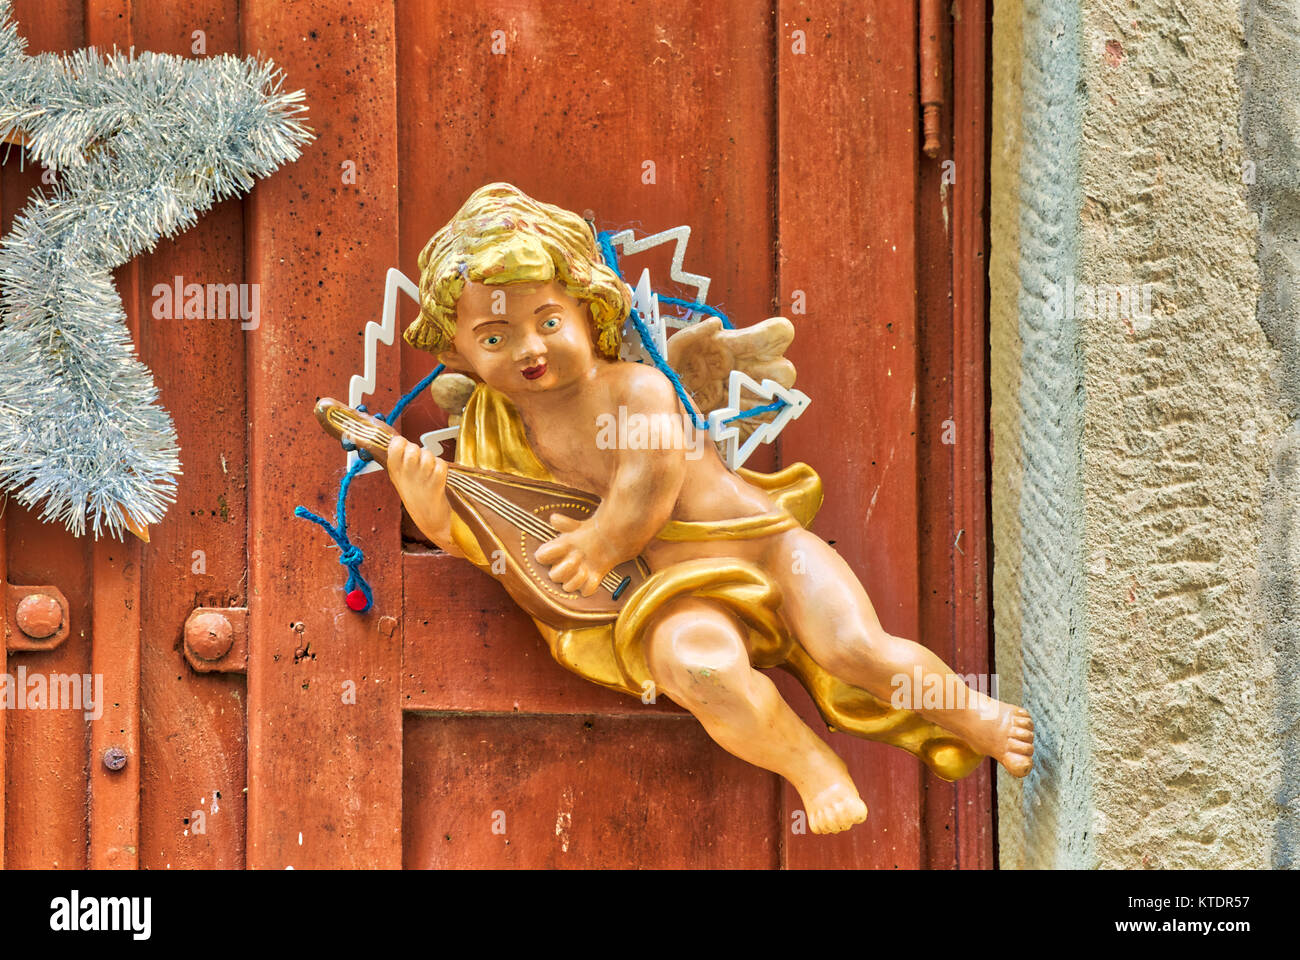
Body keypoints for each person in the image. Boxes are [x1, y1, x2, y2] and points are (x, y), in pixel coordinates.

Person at [385, 182, 1033, 834]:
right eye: (495, 338)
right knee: (698, 667)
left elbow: (651, 475)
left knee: (854, 646)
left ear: (590, 311)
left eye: (548, 322)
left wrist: (604, 543)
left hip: (767, 551)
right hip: (670, 593)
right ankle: (811, 765)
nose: (530, 349)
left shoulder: (633, 389)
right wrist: (437, 516)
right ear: (456, 351)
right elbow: (506, 540)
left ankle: (974, 714)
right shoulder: (495, 433)